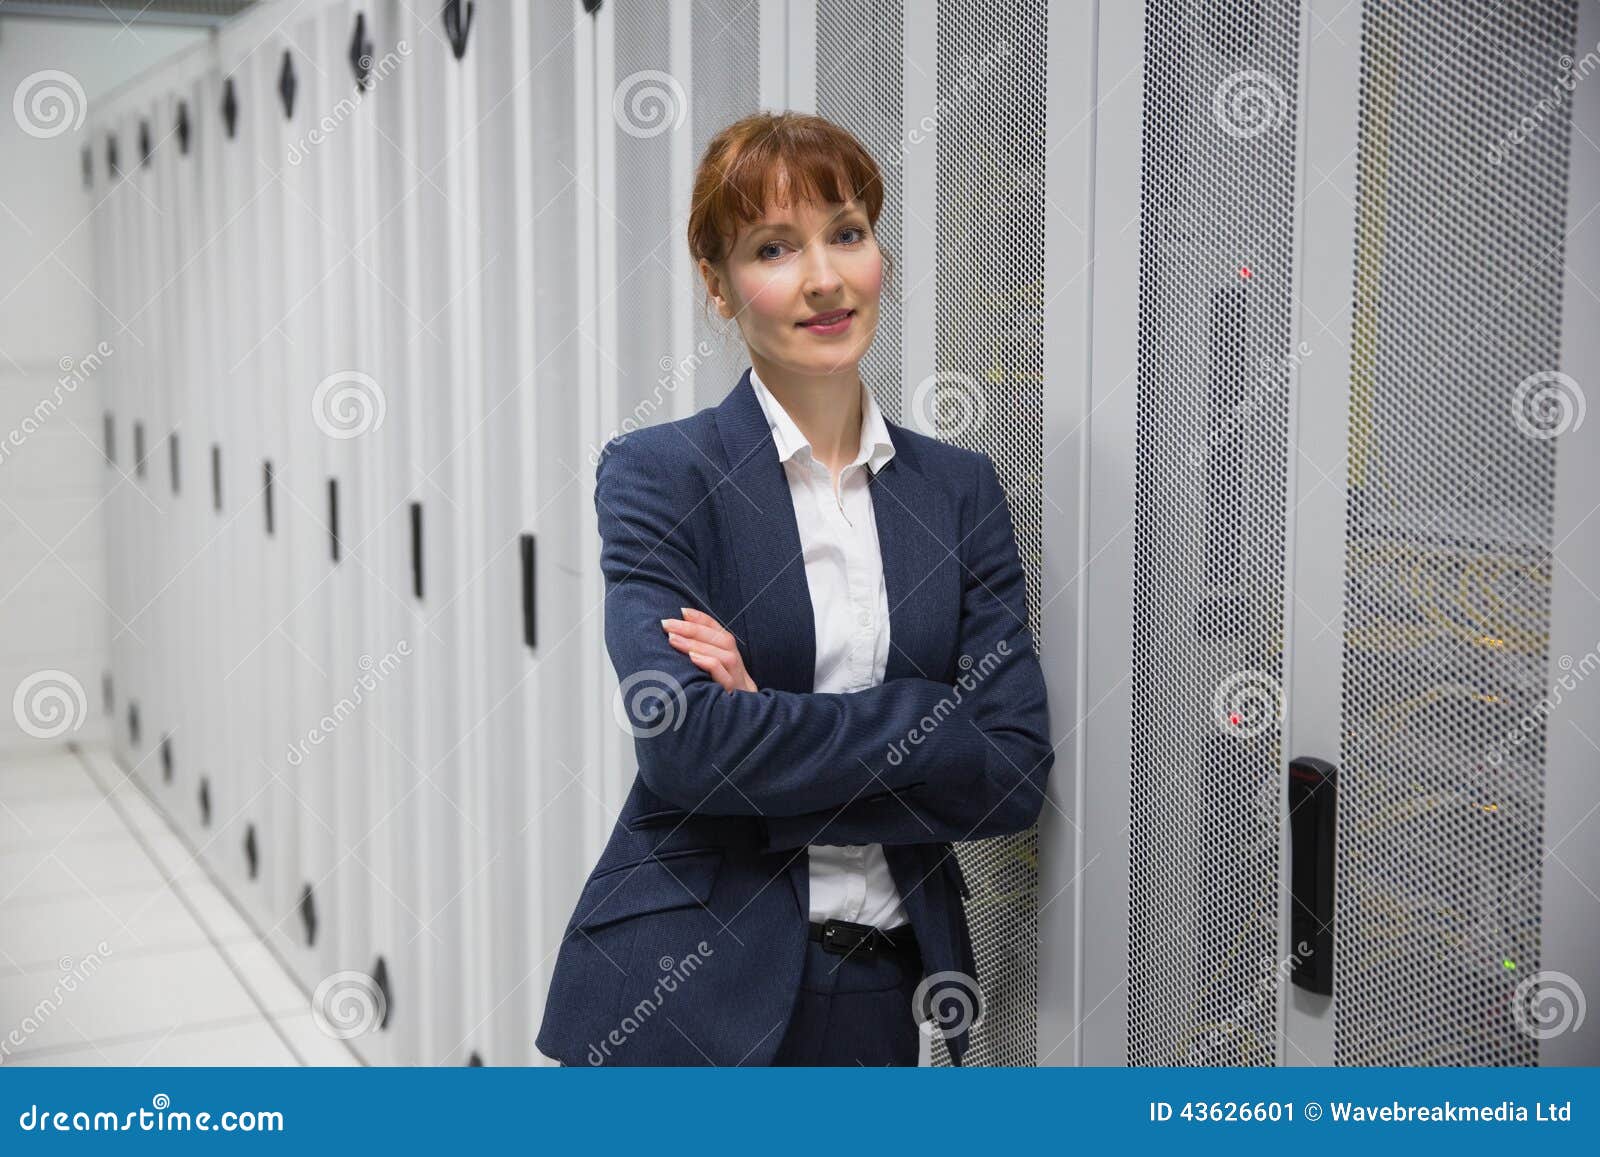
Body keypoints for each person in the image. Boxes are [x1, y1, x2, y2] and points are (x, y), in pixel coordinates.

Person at [535, 111, 1052, 1067]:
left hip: (890, 985)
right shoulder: (662, 473)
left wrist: (766, 723)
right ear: (719, 287)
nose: (823, 279)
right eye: (774, 248)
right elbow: (685, 747)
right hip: (684, 983)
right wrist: (933, 720)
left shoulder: (959, 490)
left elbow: (1014, 770)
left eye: (846, 233)